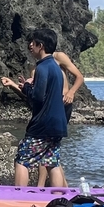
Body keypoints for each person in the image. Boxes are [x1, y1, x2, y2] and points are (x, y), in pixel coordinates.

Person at [1, 28, 67, 188]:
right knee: (52, 161)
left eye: (33, 42)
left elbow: (38, 98)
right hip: (58, 124)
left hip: (42, 125)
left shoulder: (42, 68)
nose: (30, 45)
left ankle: (19, 197)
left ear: (41, 45)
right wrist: (28, 87)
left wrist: (27, 88)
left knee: (22, 159)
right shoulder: (56, 68)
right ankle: (58, 197)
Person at [23, 48, 85, 186]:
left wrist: (71, 92)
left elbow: (79, 77)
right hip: (45, 109)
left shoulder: (58, 57)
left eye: (33, 44)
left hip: (62, 105)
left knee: (49, 146)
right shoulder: (37, 66)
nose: (31, 48)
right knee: (49, 149)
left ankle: (43, 186)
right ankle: (62, 187)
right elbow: (36, 96)